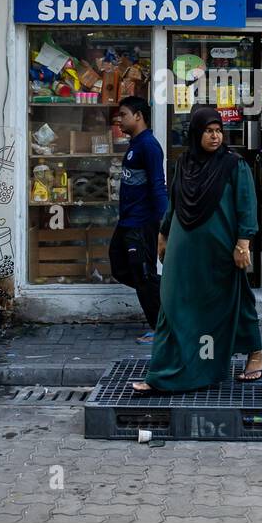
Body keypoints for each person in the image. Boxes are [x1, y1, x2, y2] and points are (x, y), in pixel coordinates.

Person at [132, 106, 262, 394]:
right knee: (172, 303)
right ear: (196, 133)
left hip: (219, 248)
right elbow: (175, 200)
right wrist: (163, 235)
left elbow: (247, 204)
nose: (215, 136)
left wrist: (244, 242)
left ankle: (254, 353)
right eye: (208, 131)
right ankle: (163, 372)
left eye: (218, 131)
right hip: (183, 244)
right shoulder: (185, 163)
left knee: (235, 298)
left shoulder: (233, 164)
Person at [109, 95, 167, 344]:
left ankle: (160, 327)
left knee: (143, 274)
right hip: (127, 222)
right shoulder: (135, 144)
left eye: (123, 114)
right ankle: (164, 290)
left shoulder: (149, 145)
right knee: (120, 267)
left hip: (142, 223)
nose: (118, 119)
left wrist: (163, 226)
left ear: (138, 116)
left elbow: (158, 185)